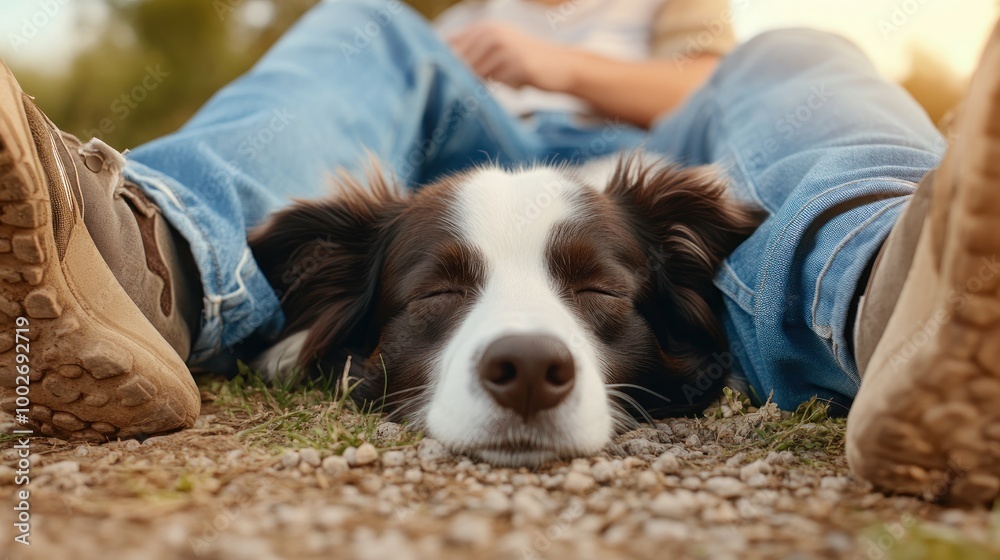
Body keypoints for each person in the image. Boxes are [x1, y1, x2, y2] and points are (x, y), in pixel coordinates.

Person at [0, 0, 997, 504]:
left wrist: (557, 64)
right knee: (370, 23)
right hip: (462, 168)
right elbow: (383, 98)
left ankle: (898, 283)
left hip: (641, 167)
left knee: (790, 57)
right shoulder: (463, 17)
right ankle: (145, 257)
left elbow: (713, 89)